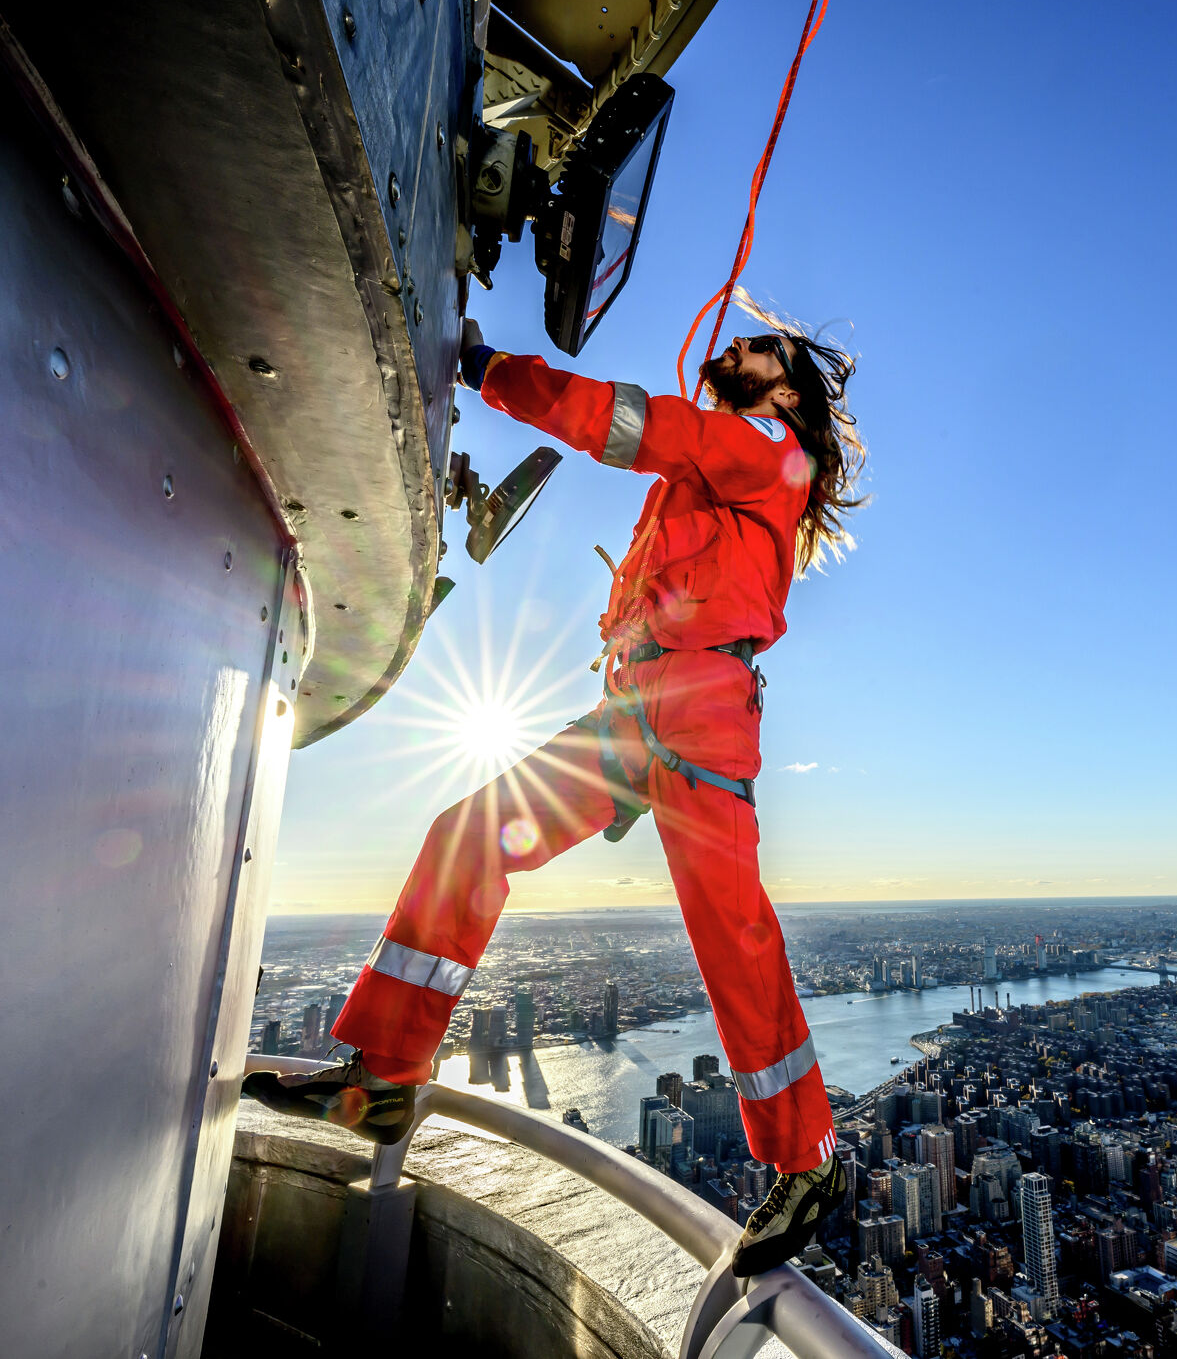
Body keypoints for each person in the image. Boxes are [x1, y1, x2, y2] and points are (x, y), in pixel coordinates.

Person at [245, 312, 866, 1277]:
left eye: (761, 350)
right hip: (640, 707)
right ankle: (388, 1077)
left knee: (730, 928)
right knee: (472, 831)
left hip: (700, 707)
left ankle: (806, 1159)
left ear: (784, 393)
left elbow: (625, 422)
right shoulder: (713, 475)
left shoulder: (764, 448)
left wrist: (492, 370)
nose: (739, 349)